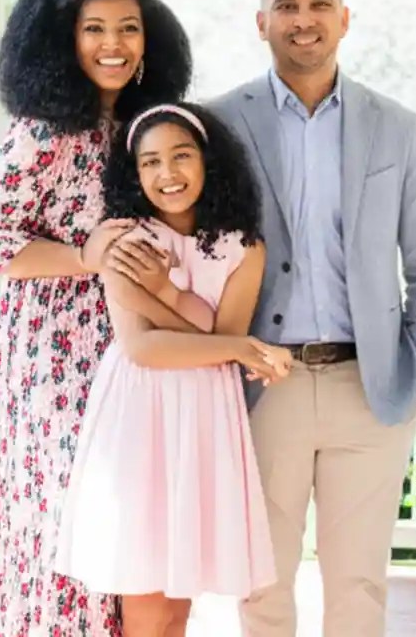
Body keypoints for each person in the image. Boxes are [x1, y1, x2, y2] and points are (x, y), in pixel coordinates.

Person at [207, 0, 416, 636]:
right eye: (286, 6)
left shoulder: (398, 130)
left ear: (344, 19)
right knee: (262, 585)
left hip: (369, 389)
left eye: (319, 5)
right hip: (263, 385)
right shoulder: (217, 125)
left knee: (359, 589)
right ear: (262, 22)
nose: (303, 20)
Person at [0, 0, 195, 637]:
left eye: (128, 28)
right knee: (71, 529)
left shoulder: (143, 127)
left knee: (131, 537)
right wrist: (83, 255)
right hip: (53, 366)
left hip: (134, 352)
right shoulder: (41, 132)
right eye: (94, 28)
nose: (113, 45)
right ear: (63, 36)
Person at [55, 102, 288, 637]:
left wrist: (163, 292)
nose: (168, 173)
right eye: (150, 162)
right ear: (135, 173)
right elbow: (142, 348)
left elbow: (224, 338)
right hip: (142, 416)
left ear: (208, 160)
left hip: (204, 418)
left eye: (181, 156)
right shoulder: (124, 238)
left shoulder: (242, 247)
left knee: (179, 600)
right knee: (145, 593)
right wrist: (232, 346)